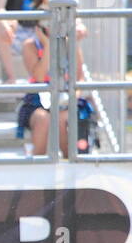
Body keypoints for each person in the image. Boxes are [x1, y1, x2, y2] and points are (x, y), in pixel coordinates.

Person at [17, 20, 86, 157]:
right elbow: (40, 77)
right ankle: (39, 168)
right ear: (39, 28)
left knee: (62, 120)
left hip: (66, 97)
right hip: (38, 99)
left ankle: (70, 164)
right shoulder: (30, 45)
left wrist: (73, 98)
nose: (51, 30)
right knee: (43, 120)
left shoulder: (70, 45)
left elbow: (79, 79)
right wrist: (48, 45)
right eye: (47, 26)